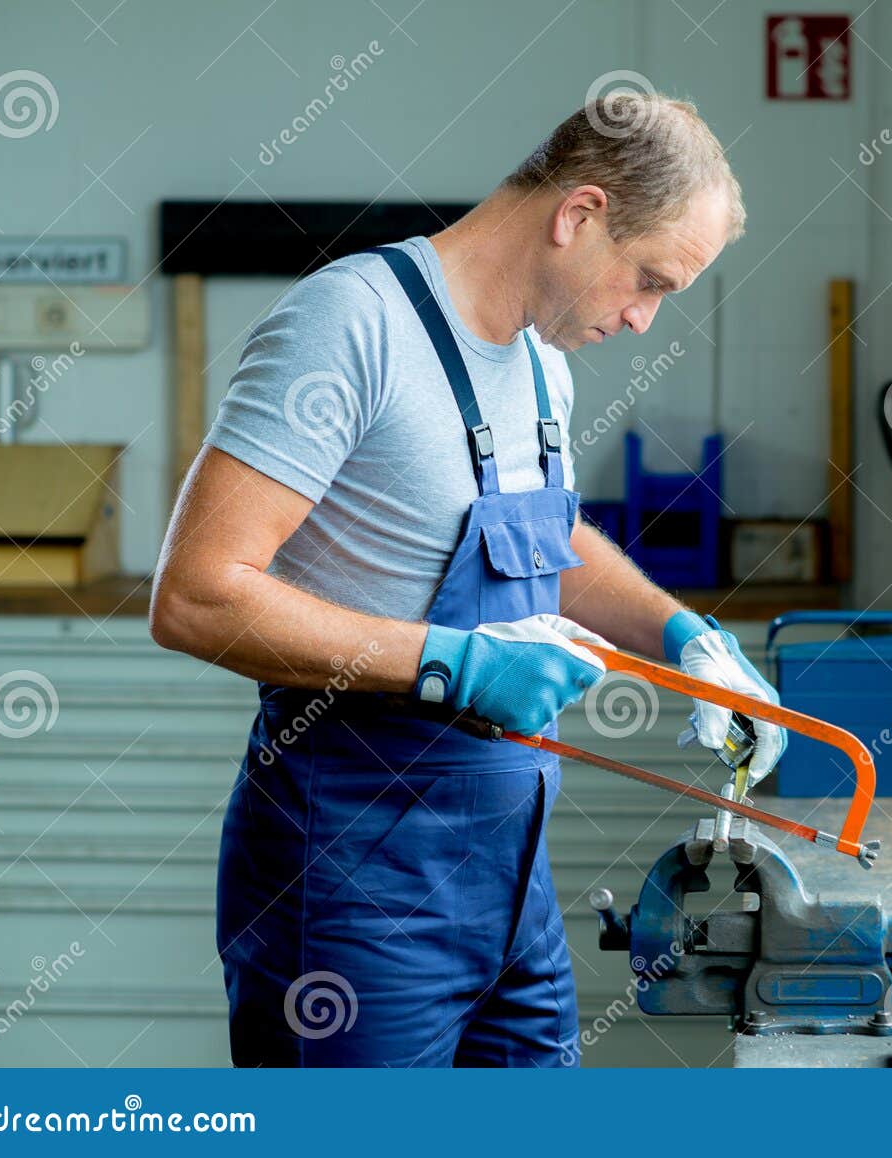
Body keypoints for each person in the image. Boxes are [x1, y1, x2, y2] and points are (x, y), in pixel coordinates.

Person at [149, 92, 785, 1067]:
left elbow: (544, 543)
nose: (641, 318)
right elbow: (196, 595)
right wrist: (457, 666)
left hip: (512, 890)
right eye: (648, 280)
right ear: (579, 214)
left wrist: (685, 639)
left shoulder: (540, 364)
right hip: (356, 889)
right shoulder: (351, 323)